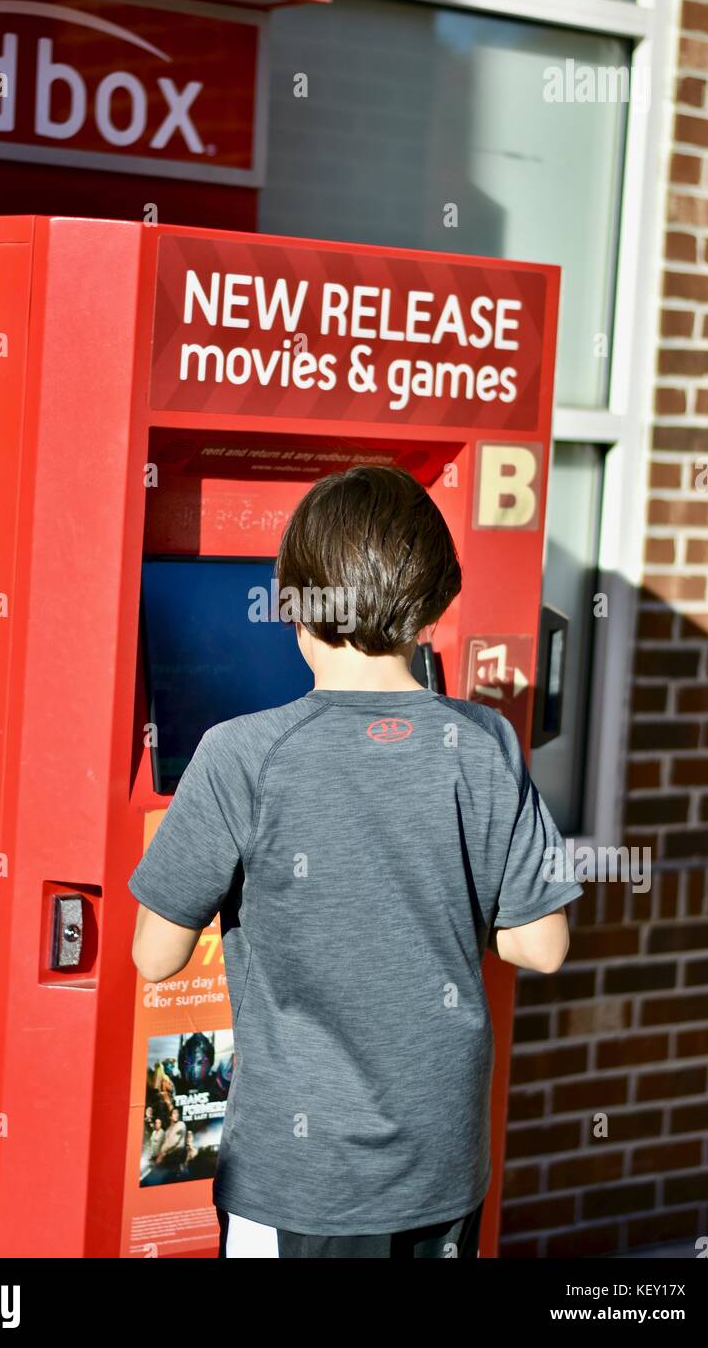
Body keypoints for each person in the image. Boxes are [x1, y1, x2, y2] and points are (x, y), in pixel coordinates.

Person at [128, 465, 584, 1259]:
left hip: (299, 1181)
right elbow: (539, 944)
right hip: (442, 1168)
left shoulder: (240, 754)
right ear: (433, 607)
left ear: (294, 607)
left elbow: (154, 955)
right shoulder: (484, 743)